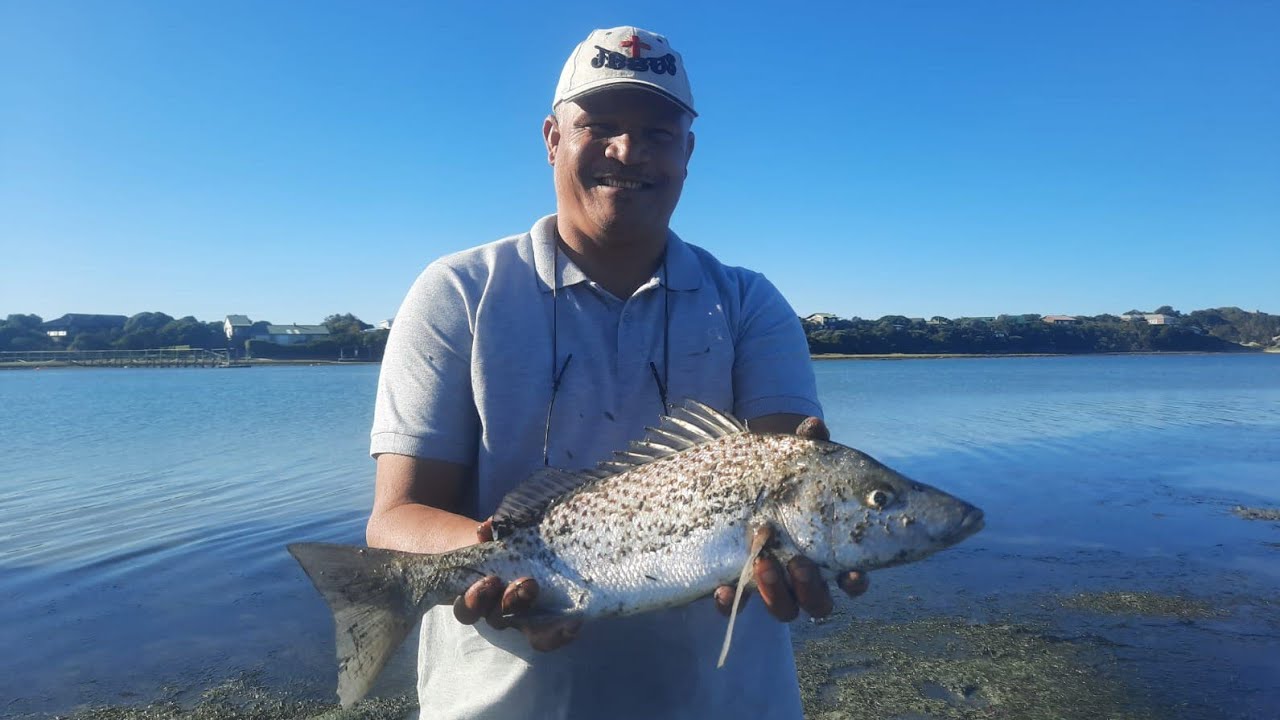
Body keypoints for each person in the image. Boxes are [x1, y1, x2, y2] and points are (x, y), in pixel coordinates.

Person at [365, 26, 868, 719]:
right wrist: (507, 566)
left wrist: (796, 552)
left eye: (658, 133)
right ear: (551, 138)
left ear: (688, 151)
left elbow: (778, 480)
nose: (627, 153)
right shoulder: (458, 291)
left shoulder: (750, 302)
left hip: (724, 701)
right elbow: (394, 520)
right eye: (599, 126)